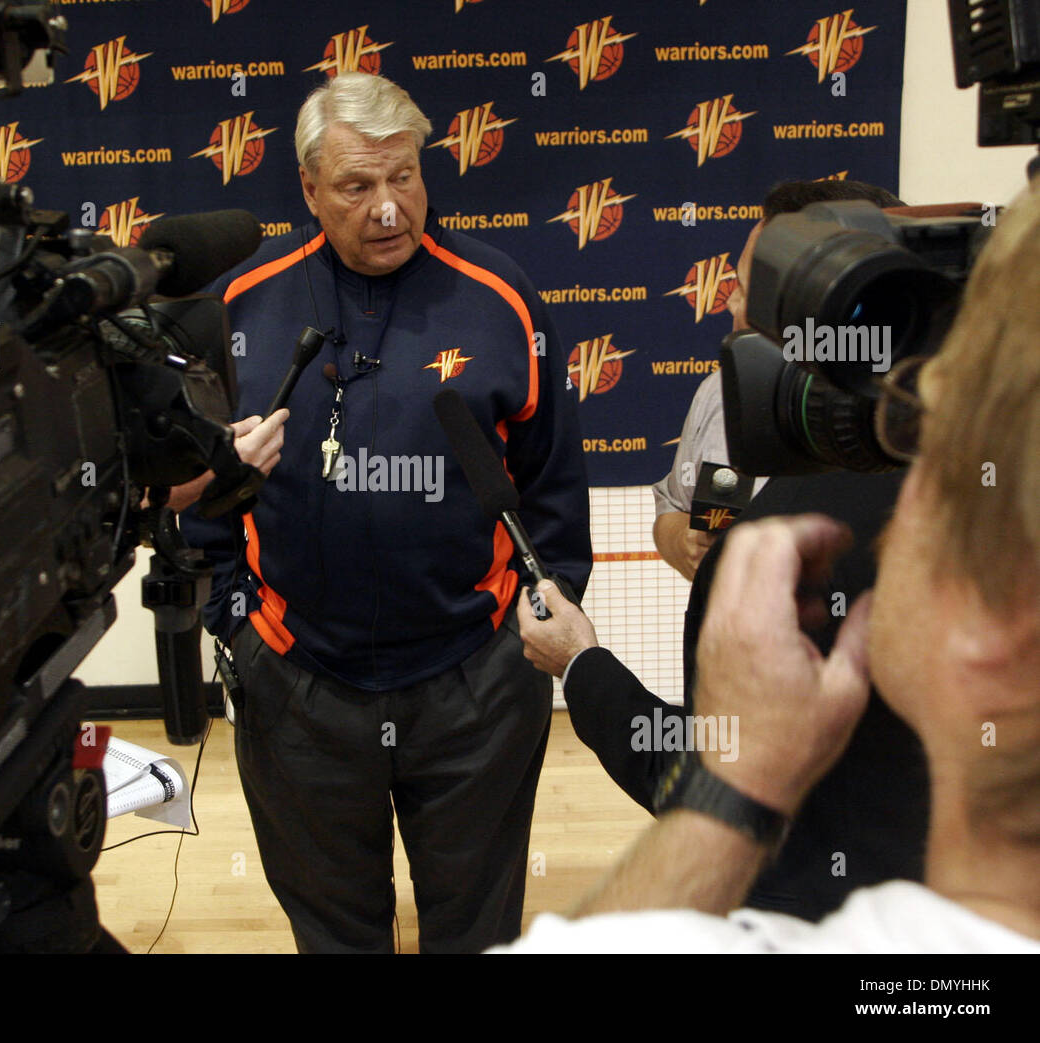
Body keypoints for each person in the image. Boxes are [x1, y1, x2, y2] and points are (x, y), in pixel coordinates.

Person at [502, 180, 1040, 952]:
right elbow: (675, 506)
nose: (733, 308)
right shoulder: (723, 404)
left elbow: (685, 769)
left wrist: (584, 665)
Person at [180, 72, 591, 953]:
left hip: (476, 683)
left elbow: (552, 480)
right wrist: (231, 616)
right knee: (334, 934)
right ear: (308, 190)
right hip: (300, 686)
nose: (390, 209)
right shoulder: (243, 304)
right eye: (357, 186)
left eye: (403, 176)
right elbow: (201, 481)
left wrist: (545, 613)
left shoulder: (501, 296)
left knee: (475, 929)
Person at [651, 179, 903, 580]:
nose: (731, 303)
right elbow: (672, 507)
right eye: (734, 285)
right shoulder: (719, 391)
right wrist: (685, 542)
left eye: (747, 291)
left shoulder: (918, 415)